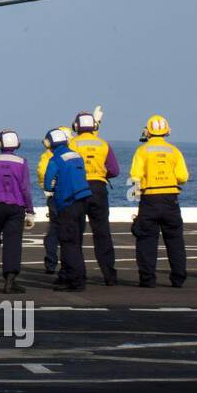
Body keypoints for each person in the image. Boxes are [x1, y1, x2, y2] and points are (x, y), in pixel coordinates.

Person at [129, 114, 190, 288]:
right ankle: (178, 279)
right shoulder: (174, 151)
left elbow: (135, 176)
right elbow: (183, 177)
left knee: (146, 239)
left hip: (150, 199)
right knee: (175, 240)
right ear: (167, 131)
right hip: (171, 199)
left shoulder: (142, 151)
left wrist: (135, 197)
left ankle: (148, 280)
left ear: (147, 131)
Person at [0, 130, 36, 293]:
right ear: (17, 144)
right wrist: (30, 211)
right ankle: (9, 282)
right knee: (13, 243)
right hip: (16, 207)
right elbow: (26, 189)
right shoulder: (22, 162)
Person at [68, 108, 121, 285]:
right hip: (98, 189)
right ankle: (109, 276)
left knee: (75, 233)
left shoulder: (72, 144)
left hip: (78, 189)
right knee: (102, 233)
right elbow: (114, 170)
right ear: (94, 126)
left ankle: (77, 275)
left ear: (76, 126)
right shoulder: (103, 144)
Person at [42, 128, 93, 291]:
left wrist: (53, 189)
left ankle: (76, 281)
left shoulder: (55, 159)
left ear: (49, 143)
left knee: (68, 242)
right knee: (76, 241)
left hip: (67, 203)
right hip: (83, 201)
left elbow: (48, 182)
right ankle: (69, 276)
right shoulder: (77, 155)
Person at [36, 125, 70, 274]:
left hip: (54, 196)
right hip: (69, 196)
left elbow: (43, 175)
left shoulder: (48, 156)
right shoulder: (72, 153)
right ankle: (66, 264)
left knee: (54, 230)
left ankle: (51, 262)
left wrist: (49, 189)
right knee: (68, 231)